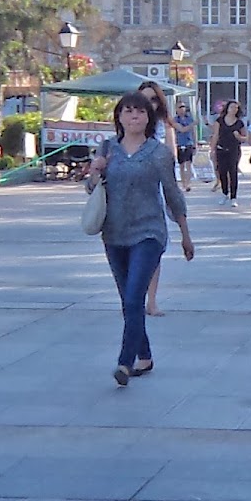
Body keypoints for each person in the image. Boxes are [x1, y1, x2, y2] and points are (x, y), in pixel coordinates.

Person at [85, 92, 194, 387]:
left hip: (149, 233)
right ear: (119, 117)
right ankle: (144, 355)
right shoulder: (108, 149)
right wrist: (96, 171)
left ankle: (125, 361)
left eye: (140, 112)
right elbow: (91, 189)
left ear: (149, 118)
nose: (134, 117)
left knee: (135, 297)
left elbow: (173, 194)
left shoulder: (158, 154)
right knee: (127, 301)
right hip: (114, 233)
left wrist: (185, 234)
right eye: (128, 112)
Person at [137, 81, 176, 317]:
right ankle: (134, 297)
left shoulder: (164, 127)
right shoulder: (128, 124)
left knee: (153, 247)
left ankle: (151, 300)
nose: (148, 104)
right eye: (144, 98)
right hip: (130, 193)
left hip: (155, 192)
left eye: (153, 99)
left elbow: (171, 160)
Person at [209, 100, 246, 207]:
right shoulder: (219, 121)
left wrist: (239, 137)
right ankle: (224, 193)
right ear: (227, 108)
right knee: (222, 172)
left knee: (233, 172)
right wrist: (212, 149)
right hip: (221, 149)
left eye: (236, 108)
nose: (234, 109)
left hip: (234, 150)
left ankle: (233, 197)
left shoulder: (239, 123)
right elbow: (215, 135)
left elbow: (245, 137)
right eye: (232, 107)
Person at [172, 103, 196, 192]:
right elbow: (181, 129)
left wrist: (195, 143)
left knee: (188, 164)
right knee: (181, 165)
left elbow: (193, 131)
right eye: (180, 107)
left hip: (188, 142)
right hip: (179, 143)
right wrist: (193, 124)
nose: (182, 109)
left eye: (183, 107)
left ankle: (188, 183)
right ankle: (183, 183)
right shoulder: (175, 120)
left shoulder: (189, 118)